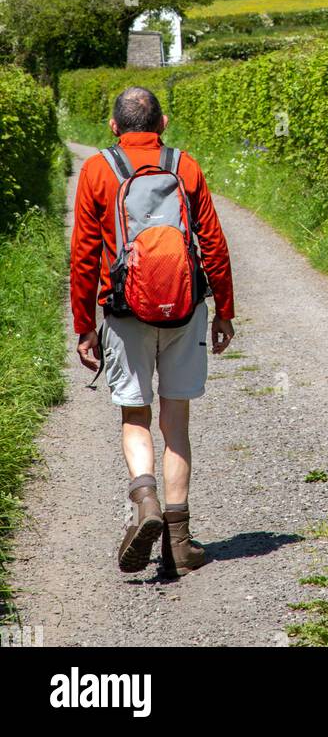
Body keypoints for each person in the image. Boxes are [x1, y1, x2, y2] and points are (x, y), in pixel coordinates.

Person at [71, 86, 235, 577]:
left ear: (114, 128)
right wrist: (224, 309)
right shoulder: (185, 166)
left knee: (135, 415)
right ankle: (180, 545)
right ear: (162, 123)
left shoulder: (98, 170)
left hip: (123, 314)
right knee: (176, 421)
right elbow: (213, 243)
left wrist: (84, 327)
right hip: (185, 310)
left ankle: (145, 504)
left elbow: (83, 257)